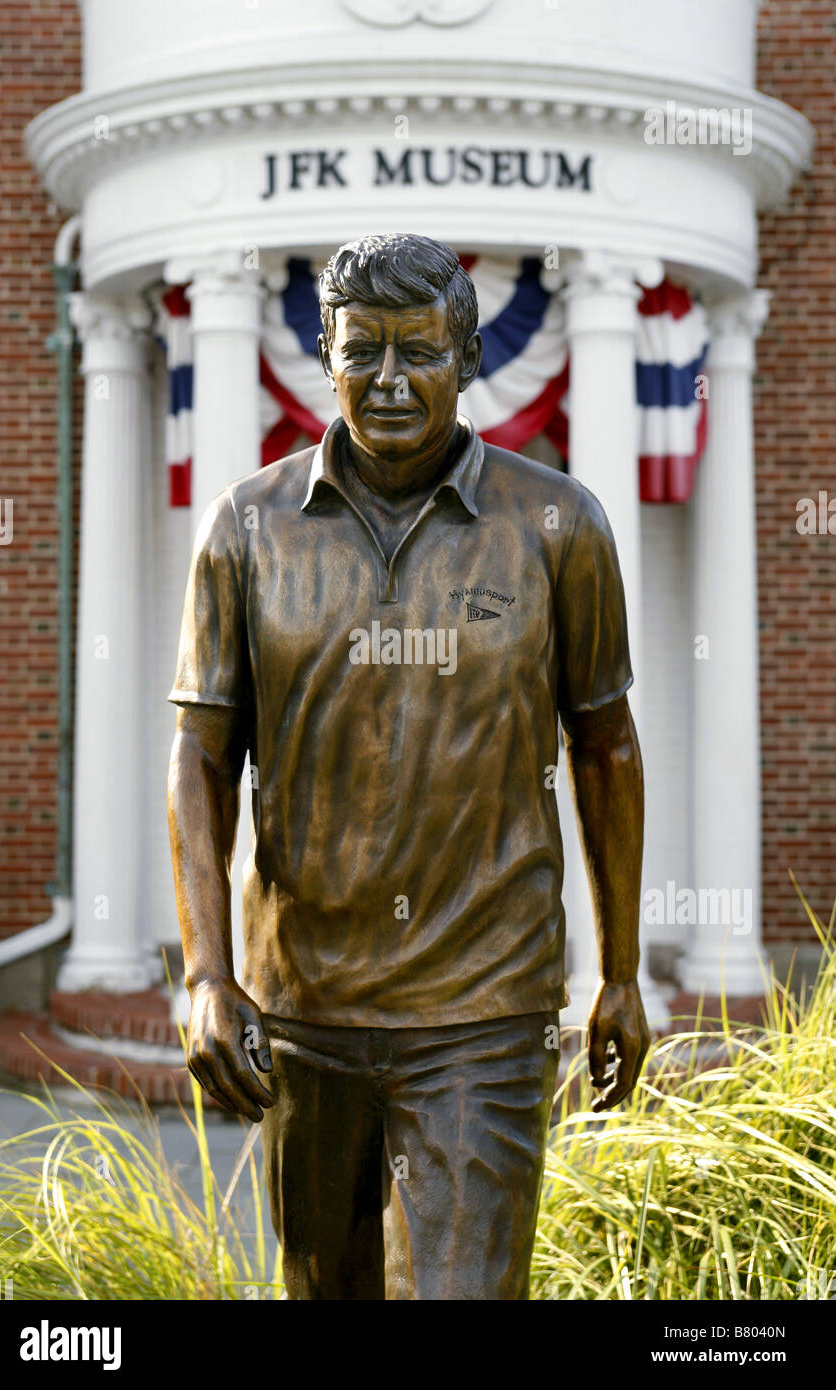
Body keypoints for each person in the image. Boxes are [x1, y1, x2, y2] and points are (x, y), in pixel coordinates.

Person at [167, 232, 650, 1300]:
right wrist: (206, 972)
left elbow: (605, 744)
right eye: (362, 351)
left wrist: (619, 972)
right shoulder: (245, 529)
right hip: (304, 1009)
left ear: (468, 358)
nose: (387, 380)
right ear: (324, 359)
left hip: (481, 1006)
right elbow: (201, 755)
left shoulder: (558, 525)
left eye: (418, 352)